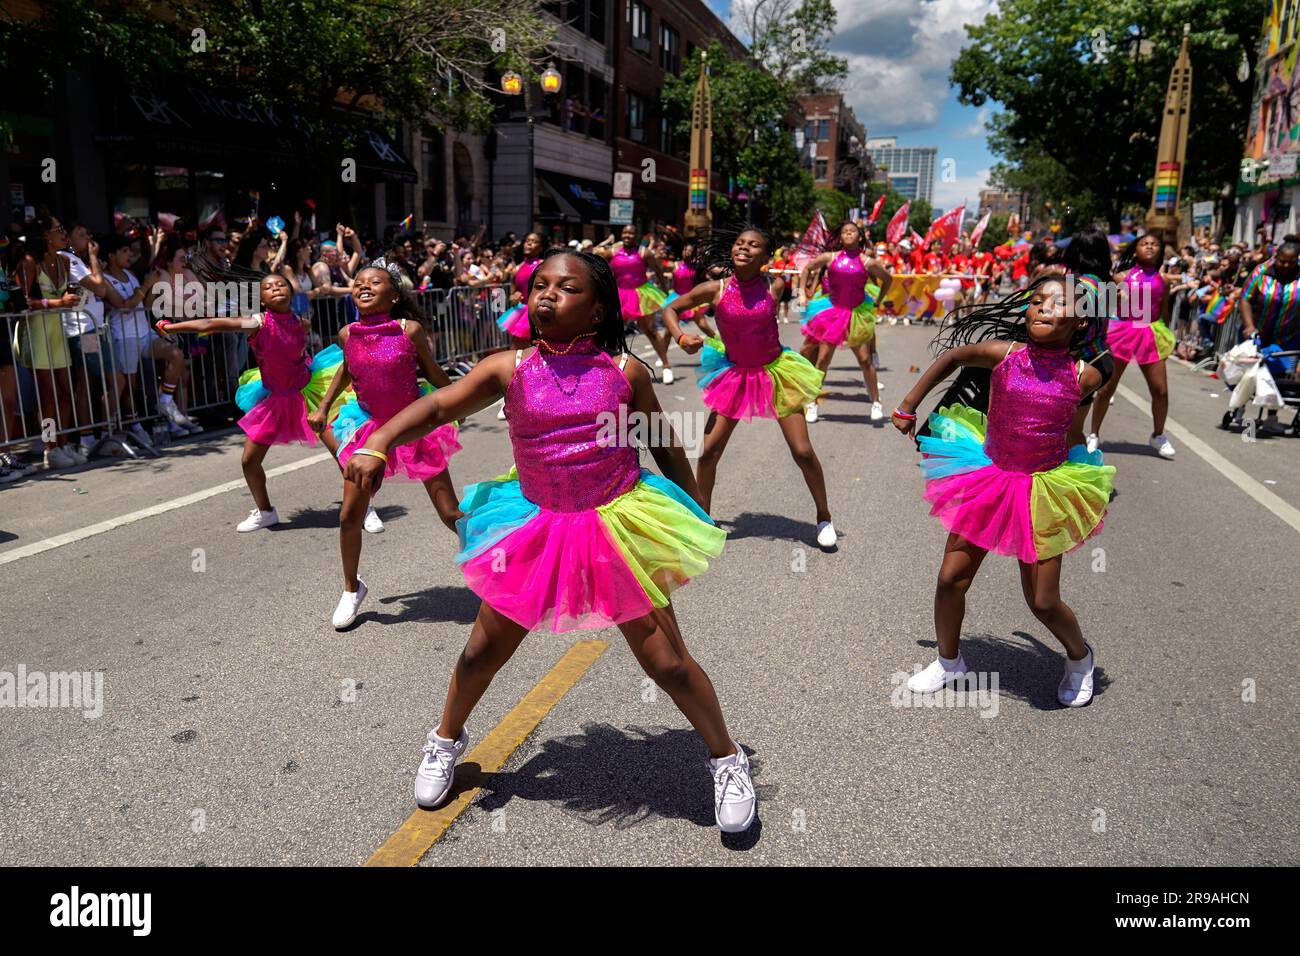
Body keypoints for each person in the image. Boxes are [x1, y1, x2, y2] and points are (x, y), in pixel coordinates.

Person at [342, 249, 756, 833]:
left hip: (615, 524)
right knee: (482, 651)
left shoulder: (624, 373)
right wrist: (379, 437)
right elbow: (436, 404)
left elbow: (663, 446)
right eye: (540, 284)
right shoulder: (507, 368)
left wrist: (697, 512)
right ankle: (445, 738)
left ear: (596, 311)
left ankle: (726, 758)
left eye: (565, 288)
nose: (546, 294)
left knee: (667, 663)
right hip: (535, 525)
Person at [893, 275, 1114, 707]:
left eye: (1057, 303)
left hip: (1044, 489)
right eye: (1036, 301)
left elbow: (1095, 386)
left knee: (1043, 602)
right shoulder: (1005, 353)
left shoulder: (1084, 374)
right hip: (990, 478)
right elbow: (955, 357)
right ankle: (948, 661)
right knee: (950, 579)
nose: (1043, 308)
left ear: (1081, 322)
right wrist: (907, 404)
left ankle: (1079, 656)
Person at [311, 261, 463, 629]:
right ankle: (351, 589)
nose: (363, 286)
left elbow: (431, 370)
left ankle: (494, 566)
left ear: (394, 296)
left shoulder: (409, 330)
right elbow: (347, 368)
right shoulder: (348, 333)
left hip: (412, 425)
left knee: (448, 512)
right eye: (359, 282)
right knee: (349, 515)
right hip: (366, 429)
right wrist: (324, 405)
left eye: (374, 282)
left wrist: (460, 398)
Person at [663, 225, 835, 548]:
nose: (744, 248)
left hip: (776, 373)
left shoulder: (775, 286)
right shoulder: (715, 289)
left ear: (766, 258)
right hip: (735, 375)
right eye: (740, 243)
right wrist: (681, 336)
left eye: (754, 245)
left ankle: (824, 516)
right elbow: (671, 308)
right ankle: (704, 520)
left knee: (802, 451)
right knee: (709, 452)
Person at [156, 273, 342, 531]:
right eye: (269, 287)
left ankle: (363, 506)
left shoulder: (302, 323)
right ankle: (266, 512)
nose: (276, 288)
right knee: (249, 461)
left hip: (308, 392)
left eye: (280, 285)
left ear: (290, 292)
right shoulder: (257, 323)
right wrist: (172, 328)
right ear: (262, 300)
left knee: (341, 451)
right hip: (276, 399)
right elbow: (212, 324)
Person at [1088, 233, 1177, 458]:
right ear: (1135, 249)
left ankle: (1158, 435)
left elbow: (1164, 310)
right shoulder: (1119, 277)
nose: (1149, 247)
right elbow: (1106, 307)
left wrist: (1165, 335)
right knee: (1107, 388)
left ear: (1161, 250)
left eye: (1154, 244)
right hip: (1122, 332)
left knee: (1161, 390)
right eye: (1144, 243)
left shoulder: (1163, 280)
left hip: (1151, 332)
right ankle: (1093, 434)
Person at [797, 220, 892, 423]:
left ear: (860, 237)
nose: (848, 234)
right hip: (832, 313)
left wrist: (879, 300)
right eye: (845, 232)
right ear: (840, 237)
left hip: (856, 314)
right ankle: (812, 403)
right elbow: (807, 269)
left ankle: (876, 402)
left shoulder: (868, 262)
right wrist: (802, 295)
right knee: (823, 360)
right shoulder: (830, 257)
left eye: (852, 232)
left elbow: (888, 279)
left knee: (865, 360)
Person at [15, 217, 80, 468]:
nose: (64, 233)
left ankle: (61, 444)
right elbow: (21, 302)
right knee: (48, 395)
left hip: (56, 331)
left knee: (65, 391)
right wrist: (56, 303)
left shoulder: (63, 261)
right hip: (36, 333)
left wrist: (71, 299)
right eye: (59, 230)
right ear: (45, 236)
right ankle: (49, 448)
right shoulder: (30, 262)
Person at [1237, 238, 1300, 434]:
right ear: (1276, 258)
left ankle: (1272, 416)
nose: (1286, 265)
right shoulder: (1261, 272)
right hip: (1257, 331)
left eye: (1291, 262)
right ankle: (1239, 407)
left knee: (1279, 374)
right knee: (1249, 372)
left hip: (1287, 335)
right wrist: (1249, 326)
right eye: (1283, 261)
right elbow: (1245, 298)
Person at [595, 225, 672, 381]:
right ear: (621, 234)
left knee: (650, 331)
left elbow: (658, 272)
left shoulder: (645, 252)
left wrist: (666, 294)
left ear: (637, 236)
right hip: (620, 295)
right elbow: (597, 267)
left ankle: (666, 366)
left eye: (631, 233)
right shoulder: (613, 252)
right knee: (614, 332)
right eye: (625, 232)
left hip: (640, 295)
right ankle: (609, 368)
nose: (628, 235)